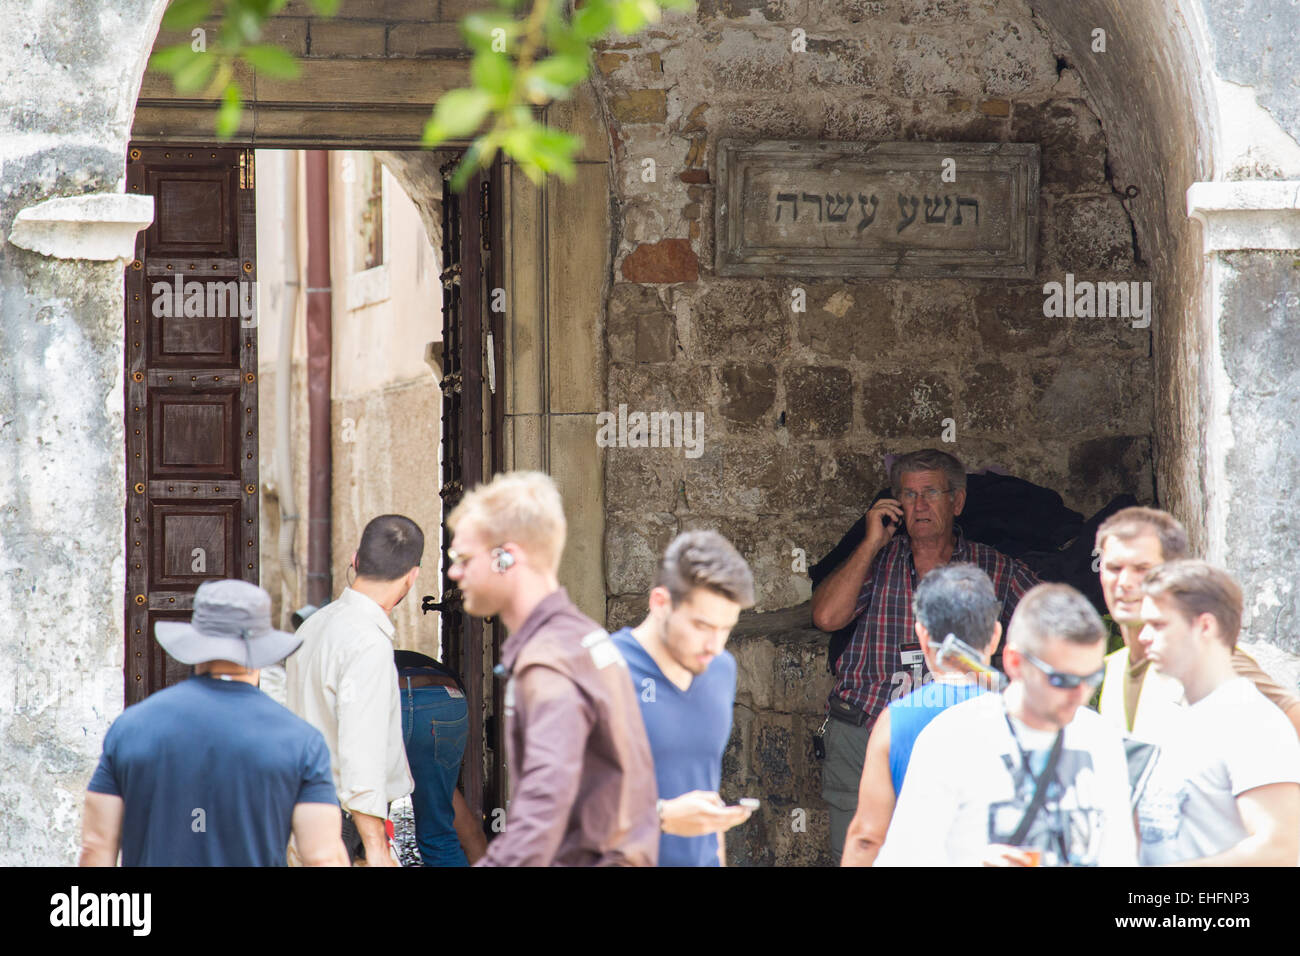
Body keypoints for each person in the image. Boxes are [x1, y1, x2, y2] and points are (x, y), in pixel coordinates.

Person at [811, 448, 1040, 861]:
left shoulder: (993, 568)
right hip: (864, 729)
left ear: (957, 501)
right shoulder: (877, 562)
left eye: (930, 493)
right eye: (908, 495)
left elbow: (1050, 630)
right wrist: (869, 543)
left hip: (959, 736)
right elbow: (827, 616)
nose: (918, 505)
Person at [449, 471, 658, 866]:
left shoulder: (548, 662)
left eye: (463, 558)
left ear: (505, 556)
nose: (453, 573)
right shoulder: (583, 638)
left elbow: (544, 806)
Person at [80, 579, 348, 867]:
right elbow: (322, 857)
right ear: (259, 650)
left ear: (195, 645)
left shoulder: (130, 729)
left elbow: (97, 847)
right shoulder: (301, 742)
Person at [876, 583, 1136, 867]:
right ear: (1014, 662)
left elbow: (1121, 855)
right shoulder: (949, 739)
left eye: (1092, 679)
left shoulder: (1102, 740)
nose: (1080, 695)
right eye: (1062, 680)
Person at [1134, 561, 1300, 866]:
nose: (1143, 636)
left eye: (1158, 625)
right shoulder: (1171, 717)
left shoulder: (1251, 721)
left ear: (1205, 626)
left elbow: (1283, 849)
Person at [611, 530, 756, 867]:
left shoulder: (721, 669)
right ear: (660, 602)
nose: (715, 645)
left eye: (726, 629)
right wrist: (660, 818)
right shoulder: (600, 672)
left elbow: (706, 788)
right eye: (702, 626)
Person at [841, 564, 1002, 866]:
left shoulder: (896, 720)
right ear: (995, 635)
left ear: (922, 635)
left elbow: (868, 836)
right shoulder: (1031, 714)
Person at [1094, 506, 1300, 740]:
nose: (1124, 582)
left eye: (1142, 569)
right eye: (1114, 568)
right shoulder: (1116, 668)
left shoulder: (1206, 659)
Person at [286, 514, 423, 865]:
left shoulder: (314, 624)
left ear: (355, 560)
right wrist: (376, 847)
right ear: (413, 576)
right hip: (342, 826)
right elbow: (360, 752)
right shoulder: (367, 643)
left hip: (305, 809)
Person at [395, 648, 486, 865]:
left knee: (372, 820)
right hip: (446, 697)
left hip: (392, 697)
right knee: (439, 827)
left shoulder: (354, 660)